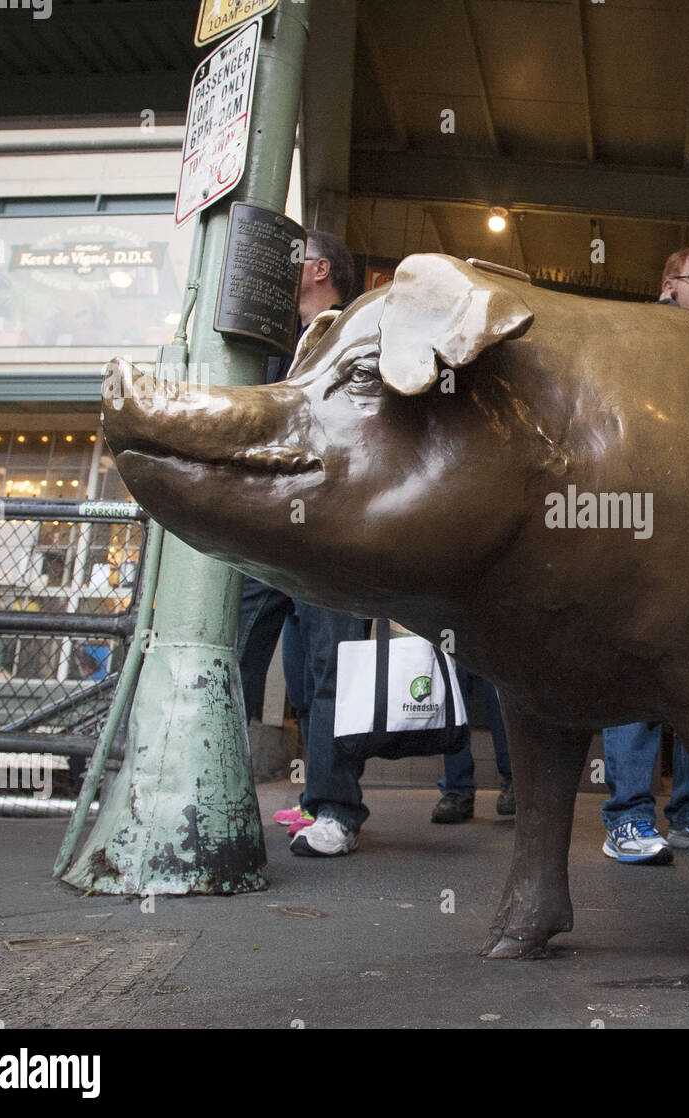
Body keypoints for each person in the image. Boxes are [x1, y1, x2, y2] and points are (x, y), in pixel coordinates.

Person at [600, 247, 689, 865]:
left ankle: (688, 813)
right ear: (668, 286)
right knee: (635, 669)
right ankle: (627, 818)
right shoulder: (638, 336)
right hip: (641, 524)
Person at [238, 229, 372, 858]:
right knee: (237, 656)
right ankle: (230, 789)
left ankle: (338, 811)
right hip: (265, 534)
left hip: (332, 531)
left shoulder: (358, 332)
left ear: (319, 268)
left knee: (331, 673)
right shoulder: (271, 339)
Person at [430, 665, 514, 823]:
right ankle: (458, 791)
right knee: (454, 689)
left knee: (500, 686)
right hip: (455, 640)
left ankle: (515, 780)